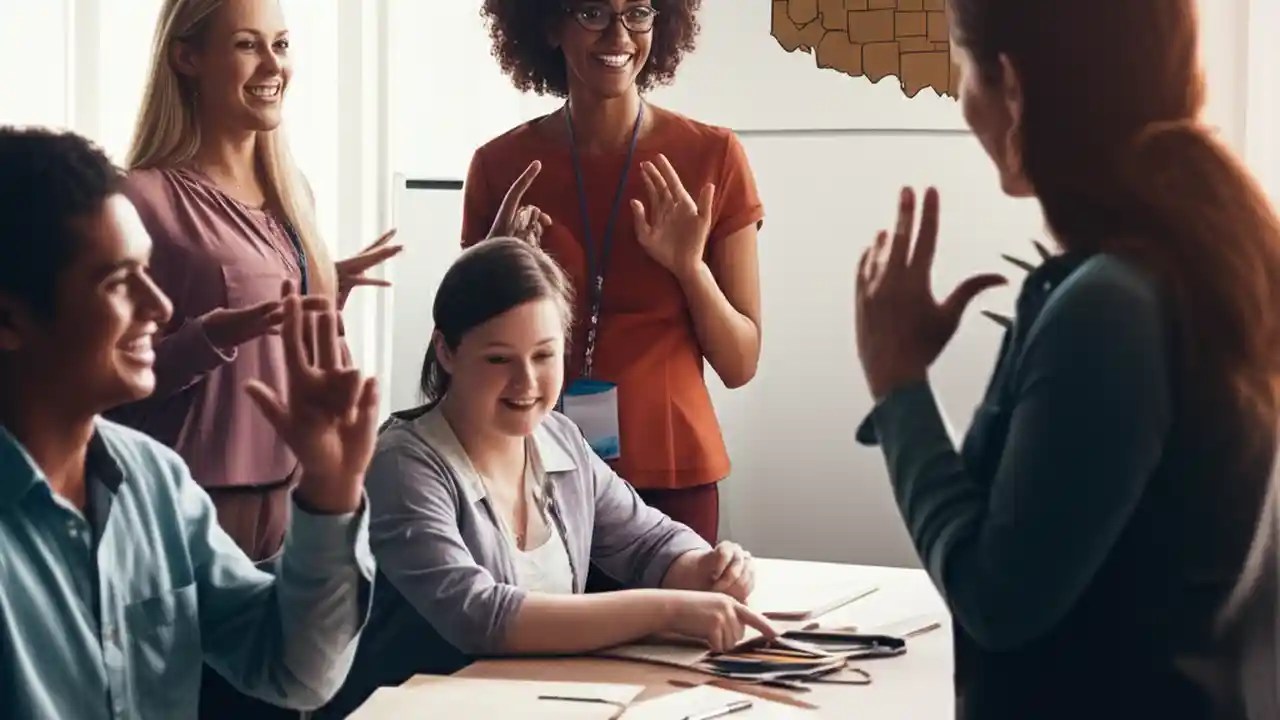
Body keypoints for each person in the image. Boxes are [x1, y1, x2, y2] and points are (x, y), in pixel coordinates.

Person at [851, 1, 1280, 718]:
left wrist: (899, 386)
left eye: (964, 68)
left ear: (1013, 90)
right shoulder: (1191, 266)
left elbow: (1001, 601)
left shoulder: (1110, 306)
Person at [0, 126, 379, 719]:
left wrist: (330, 493)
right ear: (10, 318)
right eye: (119, 283)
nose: (160, 307)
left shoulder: (155, 482)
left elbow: (296, 671)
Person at [318, 238, 775, 715]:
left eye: (544, 356)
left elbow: (647, 542)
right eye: (499, 359)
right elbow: (479, 616)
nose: (527, 383)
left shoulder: (560, 438)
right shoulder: (401, 464)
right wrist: (669, 609)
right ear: (446, 352)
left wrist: (705, 568)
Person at [461, 0, 765, 544]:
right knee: (546, 629)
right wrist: (498, 270)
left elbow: (740, 362)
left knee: (667, 630)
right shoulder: (499, 167)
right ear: (550, 24)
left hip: (672, 475)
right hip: (532, 469)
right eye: (593, 13)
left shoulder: (713, 156)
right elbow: (459, 357)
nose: (618, 35)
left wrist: (688, 268)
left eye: (639, 12)